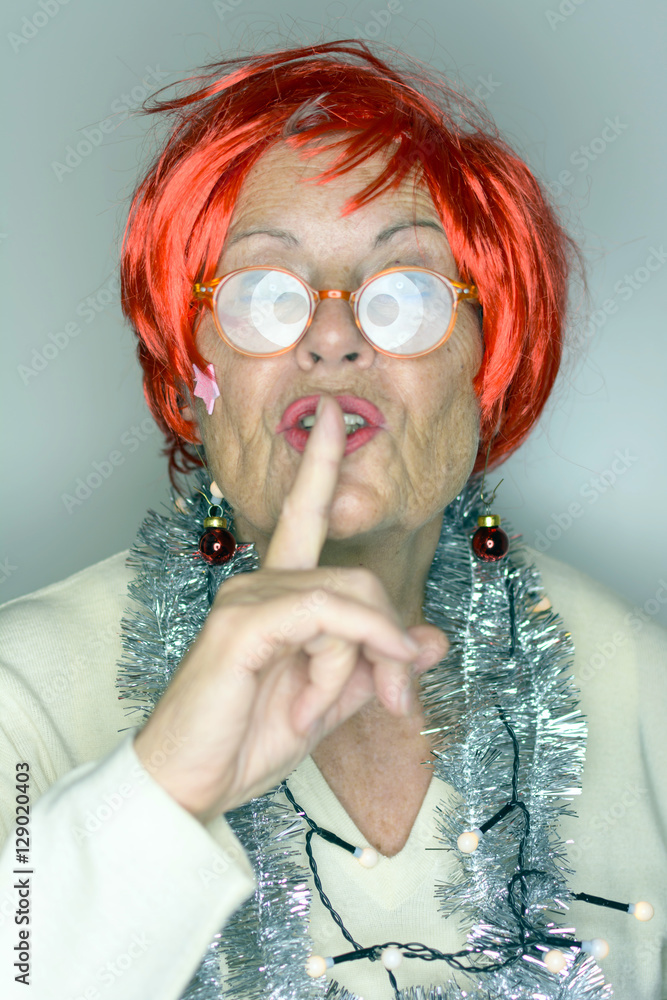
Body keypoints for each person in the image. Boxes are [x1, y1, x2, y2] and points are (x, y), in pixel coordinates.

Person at [0, 40, 665, 1000]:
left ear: (488, 370)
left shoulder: (646, 695)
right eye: (265, 294)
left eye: (404, 294)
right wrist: (165, 787)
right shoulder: (21, 693)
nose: (332, 336)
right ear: (194, 381)